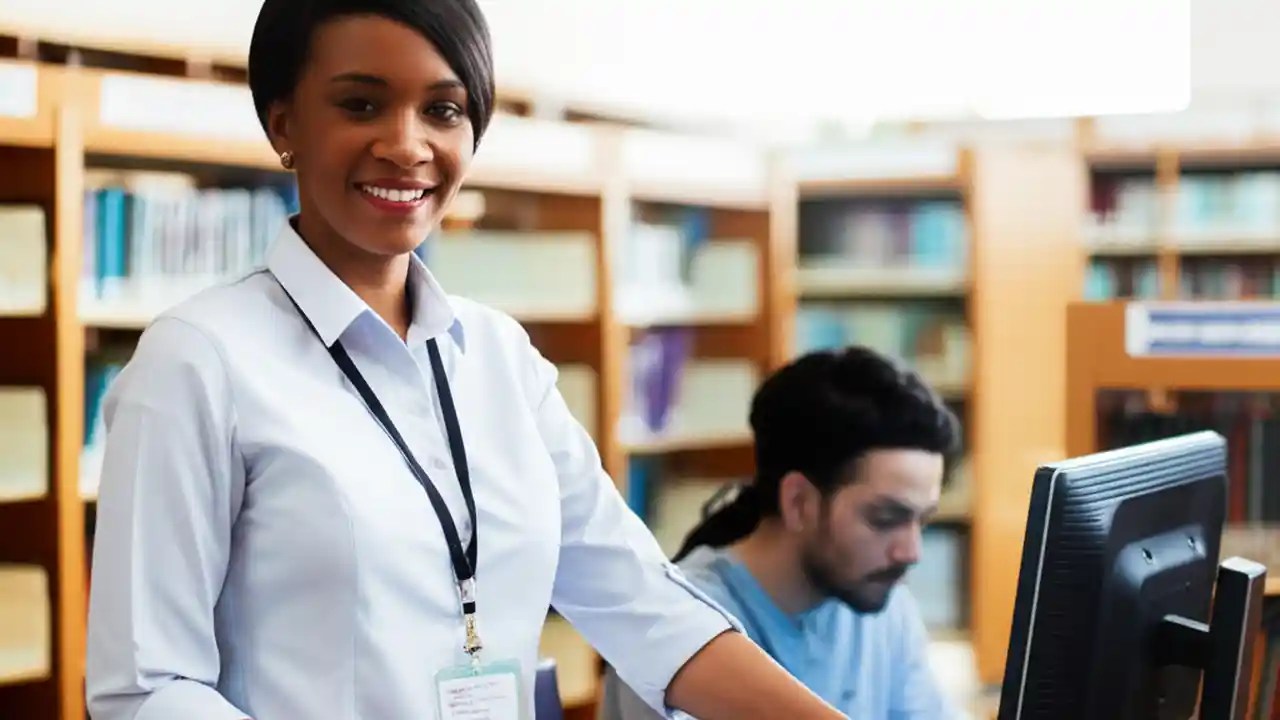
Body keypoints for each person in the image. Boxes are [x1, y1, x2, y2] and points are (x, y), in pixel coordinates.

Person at [82, 2, 846, 719]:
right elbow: (148, 689)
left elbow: (643, 605)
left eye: (443, 110)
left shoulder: (499, 357)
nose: (408, 145)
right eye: (361, 104)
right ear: (284, 123)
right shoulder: (198, 363)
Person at [598, 346, 964, 720]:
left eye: (923, 520)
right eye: (885, 518)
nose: (911, 551)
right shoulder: (671, 628)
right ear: (799, 501)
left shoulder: (887, 608)